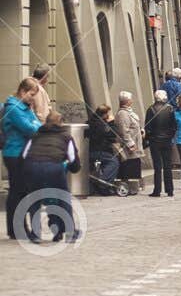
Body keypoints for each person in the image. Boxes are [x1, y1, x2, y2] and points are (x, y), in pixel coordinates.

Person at [17, 112, 80, 243]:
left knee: (34, 200)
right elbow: (73, 160)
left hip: (32, 166)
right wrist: (73, 168)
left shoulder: (35, 136)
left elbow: (23, 156)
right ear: (61, 122)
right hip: (54, 167)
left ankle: (35, 234)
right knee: (63, 198)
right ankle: (70, 232)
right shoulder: (66, 137)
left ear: (46, 122)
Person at [3, 78, 42, 239]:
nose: (33, 98)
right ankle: (17, 228)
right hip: (15, 153)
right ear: (23, 92)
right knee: (18, 191)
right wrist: (35, 124)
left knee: (21, 191)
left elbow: (37, 125)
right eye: (32, 94)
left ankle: (17, 228)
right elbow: (30, 129)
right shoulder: (13, 108)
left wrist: (35, 123)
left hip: (23, 153)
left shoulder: (25, 107)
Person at [143, 90, 177, 198]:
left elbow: (147, 127)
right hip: (167, 140)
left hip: (155, 140)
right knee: (168, 166)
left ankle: (157, 190)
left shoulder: (151, 109)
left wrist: (149, 138)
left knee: (157, 167)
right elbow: (174, 126)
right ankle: (170, 190)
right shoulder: (170, 109)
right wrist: (170, 136)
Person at [114, 91, 144, 195]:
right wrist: (130, 144)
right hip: (129, 146)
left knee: (134, 165)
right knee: (128, 166)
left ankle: (133, 187)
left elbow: (133, 124)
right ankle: (128, 188)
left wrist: (140, 130)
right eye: (131, 99)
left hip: (135, 143)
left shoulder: (128, 112)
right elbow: (124, 130)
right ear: (127, 101)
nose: (132, 100)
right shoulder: (122, 113)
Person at [85, 104, 119, 193]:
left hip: (90, 150)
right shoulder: (101, 124)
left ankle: (99, 183)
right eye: (107, 113)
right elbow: (112, 134)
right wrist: (111, 123)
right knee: (114, 162)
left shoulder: (90, 122)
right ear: (104, 114)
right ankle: (103, 183)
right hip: (99, 150)